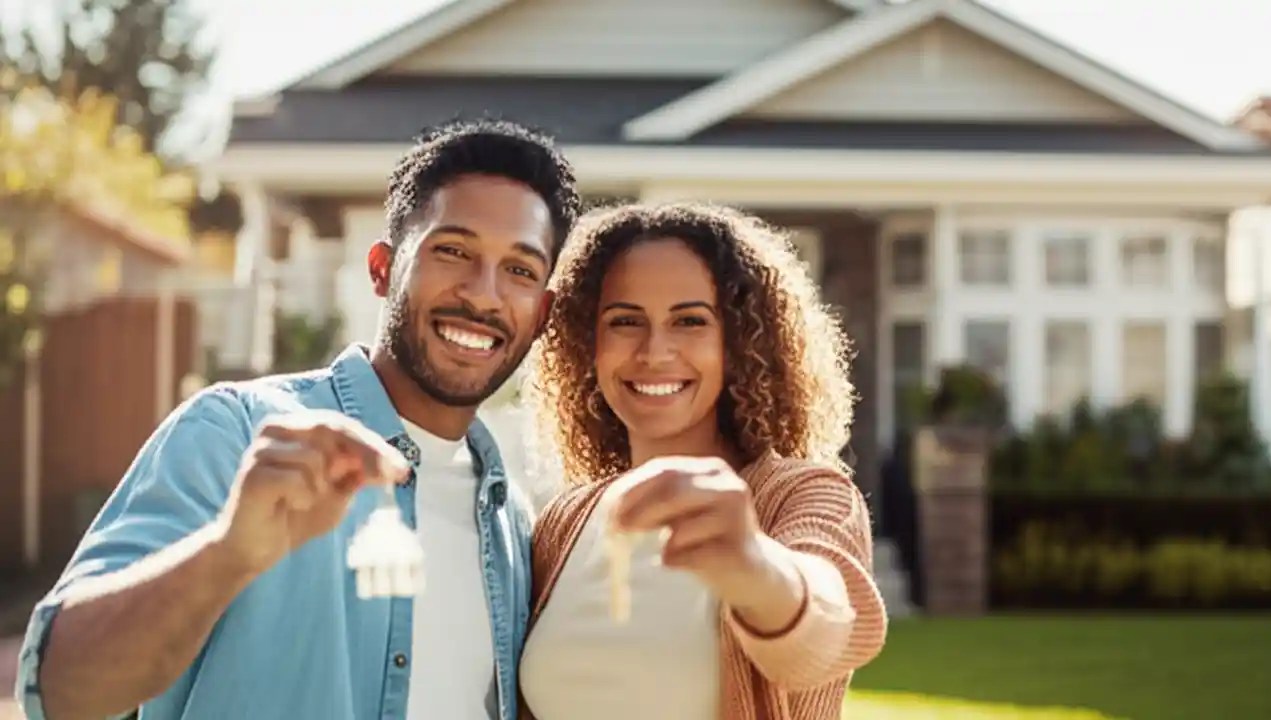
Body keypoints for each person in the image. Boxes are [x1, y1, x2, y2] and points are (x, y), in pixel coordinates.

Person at [14, 119, 582, 720]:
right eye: (452, 250)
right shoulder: (236, 435)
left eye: (519, 269)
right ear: (383, 269)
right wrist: (230, 553)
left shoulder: (513, 521)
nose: (484, 294)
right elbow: (61, 691)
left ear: (543, 312)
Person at [519, 203, 888, 720]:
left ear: (738, 343)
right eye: (625, 321)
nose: (655, 351)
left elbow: (831, 626)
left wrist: (752, 567)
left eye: (690, 321)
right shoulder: (563, 525)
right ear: (587, 345)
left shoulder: (801, 496)